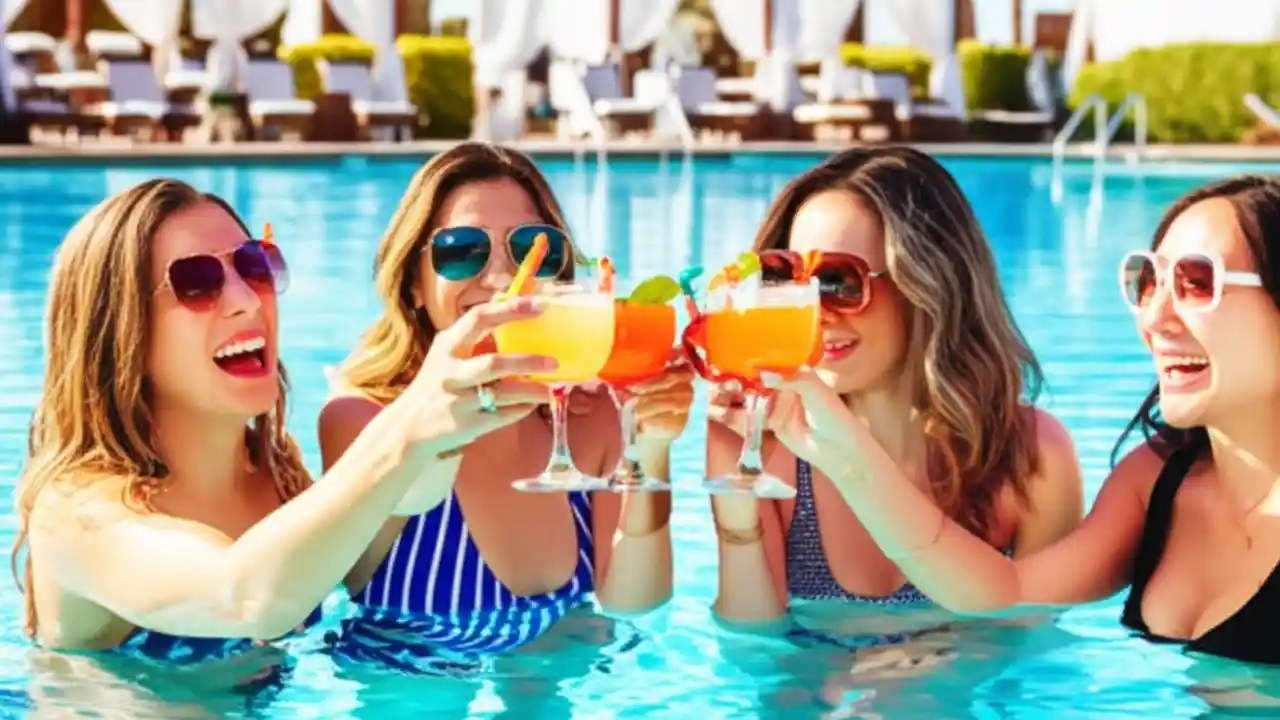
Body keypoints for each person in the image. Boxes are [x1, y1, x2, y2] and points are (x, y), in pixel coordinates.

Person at [12, 178, 555, 661]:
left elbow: (414, 495)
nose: (248, 299)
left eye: (254, 265)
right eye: (197, 282)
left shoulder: (279, 479)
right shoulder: (78, 515)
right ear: (119, 333)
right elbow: (245, 597)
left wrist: (473, 393)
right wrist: (408, 423)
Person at [763, 173, 1280, 666]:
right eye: (1149, 282)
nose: (1154, 318)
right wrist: (846, 455)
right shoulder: (1155, 481)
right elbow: (1007, 593)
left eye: (1196, 282)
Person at [319, 142, 691, 658]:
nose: (499, 280)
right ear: (413, 287)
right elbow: (345, 579)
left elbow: (635, 603)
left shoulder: (593, 415)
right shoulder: (363, 421)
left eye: (530, 248)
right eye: (462, 250)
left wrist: (650, 446)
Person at [707, 146, 1085, 631]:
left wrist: (922, 674)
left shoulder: (1031, 459)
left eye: (837, 281)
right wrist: (737, 512)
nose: (809, 311)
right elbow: (753, 647)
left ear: (929, 283)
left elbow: (1028, 650)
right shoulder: (772, 446)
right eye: (786, 280)